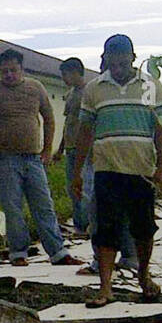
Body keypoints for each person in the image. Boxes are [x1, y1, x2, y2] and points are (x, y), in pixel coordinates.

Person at [72, 34, 162, 307]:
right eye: (111, 60)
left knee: (144, 228)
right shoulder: (94, 89)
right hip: (107, 170)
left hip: (142, 171)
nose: (116, 66)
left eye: (121, 60)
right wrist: (77, 171)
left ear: (132, 58)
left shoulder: (151, 86)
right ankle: (105, 288)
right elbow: (85, 131)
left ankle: (143, 276)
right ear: (105, 59)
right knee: (106, 229)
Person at [0, 48, 75, 268]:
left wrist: (48, 149)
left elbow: (49, 118)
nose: (9, 75)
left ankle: (58, 252)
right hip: (5, 159)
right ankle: (18, 252)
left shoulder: (35, 88)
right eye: (4, 71)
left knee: (43, 205)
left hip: (33, 159)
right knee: (13, 207)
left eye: (13, 70)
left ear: (22, 69)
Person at [52, 57, 95, 233]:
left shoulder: (89, 93)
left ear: (76, 73)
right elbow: (68, 123)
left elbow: (90, 124)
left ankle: (88, 223)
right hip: (70, 147)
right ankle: (79, 224)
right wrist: (60, 148)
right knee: (72, 188)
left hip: (84, 149)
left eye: (66, 74)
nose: (64, 78)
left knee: (85, 186)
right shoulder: (70, 94)